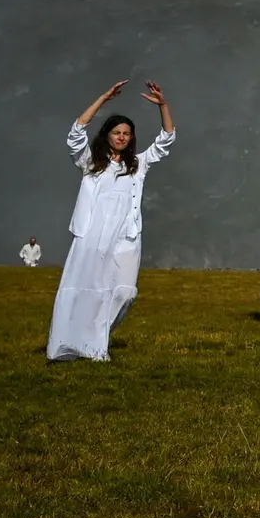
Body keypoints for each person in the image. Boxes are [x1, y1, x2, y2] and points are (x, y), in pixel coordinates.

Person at [48, 81, 175, 362]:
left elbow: (166, 139)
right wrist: (103, 99)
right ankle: (83, 346)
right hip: (92, 235)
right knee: (87, 290)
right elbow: (76, 133)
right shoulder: (90, 161)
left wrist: (163, 105)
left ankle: (96, 338)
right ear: (107, 135)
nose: (121, 137)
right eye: (117, 133)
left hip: (127, 235)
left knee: (125, 293)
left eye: (126, 134)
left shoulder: (138, 165)